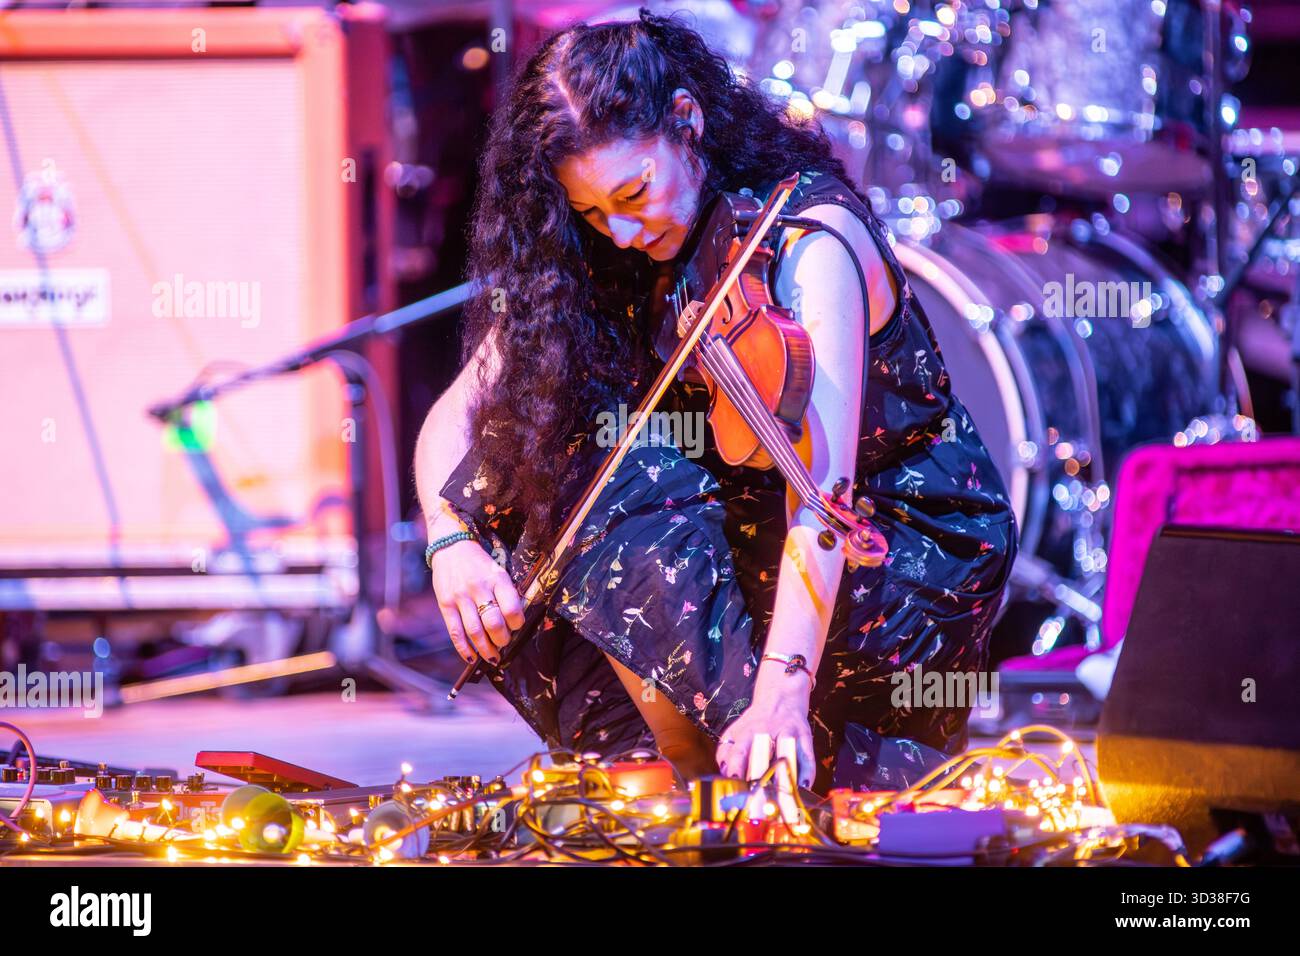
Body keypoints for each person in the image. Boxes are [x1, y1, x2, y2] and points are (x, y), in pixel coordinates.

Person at [413, 9, 1017, 795]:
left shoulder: (810, 242)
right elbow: (461, 416)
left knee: (615, 488)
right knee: (543, 450)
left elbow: (823, 501)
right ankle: (674, 767)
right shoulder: (611, 254)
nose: (625, 232)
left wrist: (781, 695)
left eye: (635, 191)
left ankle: (824, 761)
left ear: (687, 120)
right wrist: (446, 540)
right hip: (757, 545)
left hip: (887, 544)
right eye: (594, 213)